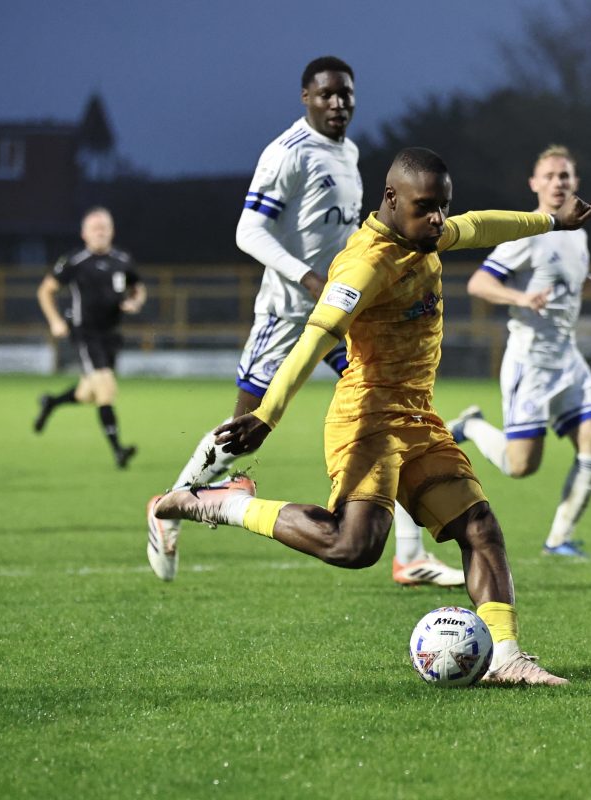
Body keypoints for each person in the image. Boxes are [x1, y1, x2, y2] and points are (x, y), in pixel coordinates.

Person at [154, 146, 591, 685]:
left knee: (480, 528)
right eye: (427, 207)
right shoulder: (365, 262)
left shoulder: (425, 233)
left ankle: (505, 657)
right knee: (354, 546)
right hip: (366, 418)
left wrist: (552, 220)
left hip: (417, 416)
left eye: (443, 206)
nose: (439, 219)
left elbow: (480, 226)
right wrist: (267, 415)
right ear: (391, 199)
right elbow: (317, 336)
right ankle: (229, 505)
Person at [145, 57, 463, 588]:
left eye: (346, 95)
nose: (338, 104)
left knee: (390, 415)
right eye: (326, 95)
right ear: (305, 98)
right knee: (244, 430)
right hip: (289, 314)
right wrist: (307, 278)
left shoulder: (349, 152)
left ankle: (408, 557)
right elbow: (248, 231)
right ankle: (170, 507)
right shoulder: (286, 153)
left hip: (344, 315)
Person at [447, 145, 591, 557]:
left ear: (576, 184)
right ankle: (472, 426)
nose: (558, 182)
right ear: (534, 184)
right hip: (530, 361)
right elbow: (479, 284)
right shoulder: (527, 234)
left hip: (567, 358)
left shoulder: (577, 233)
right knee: (520, 466)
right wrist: (520, 299)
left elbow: (574, 278)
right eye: (550, 176)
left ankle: (559, 539)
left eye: (565, 176)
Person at [34, 207, 144, 468]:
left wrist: (135, 302)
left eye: (104, 226)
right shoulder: (75, 260)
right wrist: (55, 321)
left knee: (87, 394)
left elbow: (138, 289)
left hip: (112, 335)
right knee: (106, 389)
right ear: (84, 233)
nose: (100, 231)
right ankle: (119, 450)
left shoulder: (122, 259)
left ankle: (51, 402)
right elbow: (45, 291)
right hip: (85, 334)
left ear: (112, 231)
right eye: (94, 227)